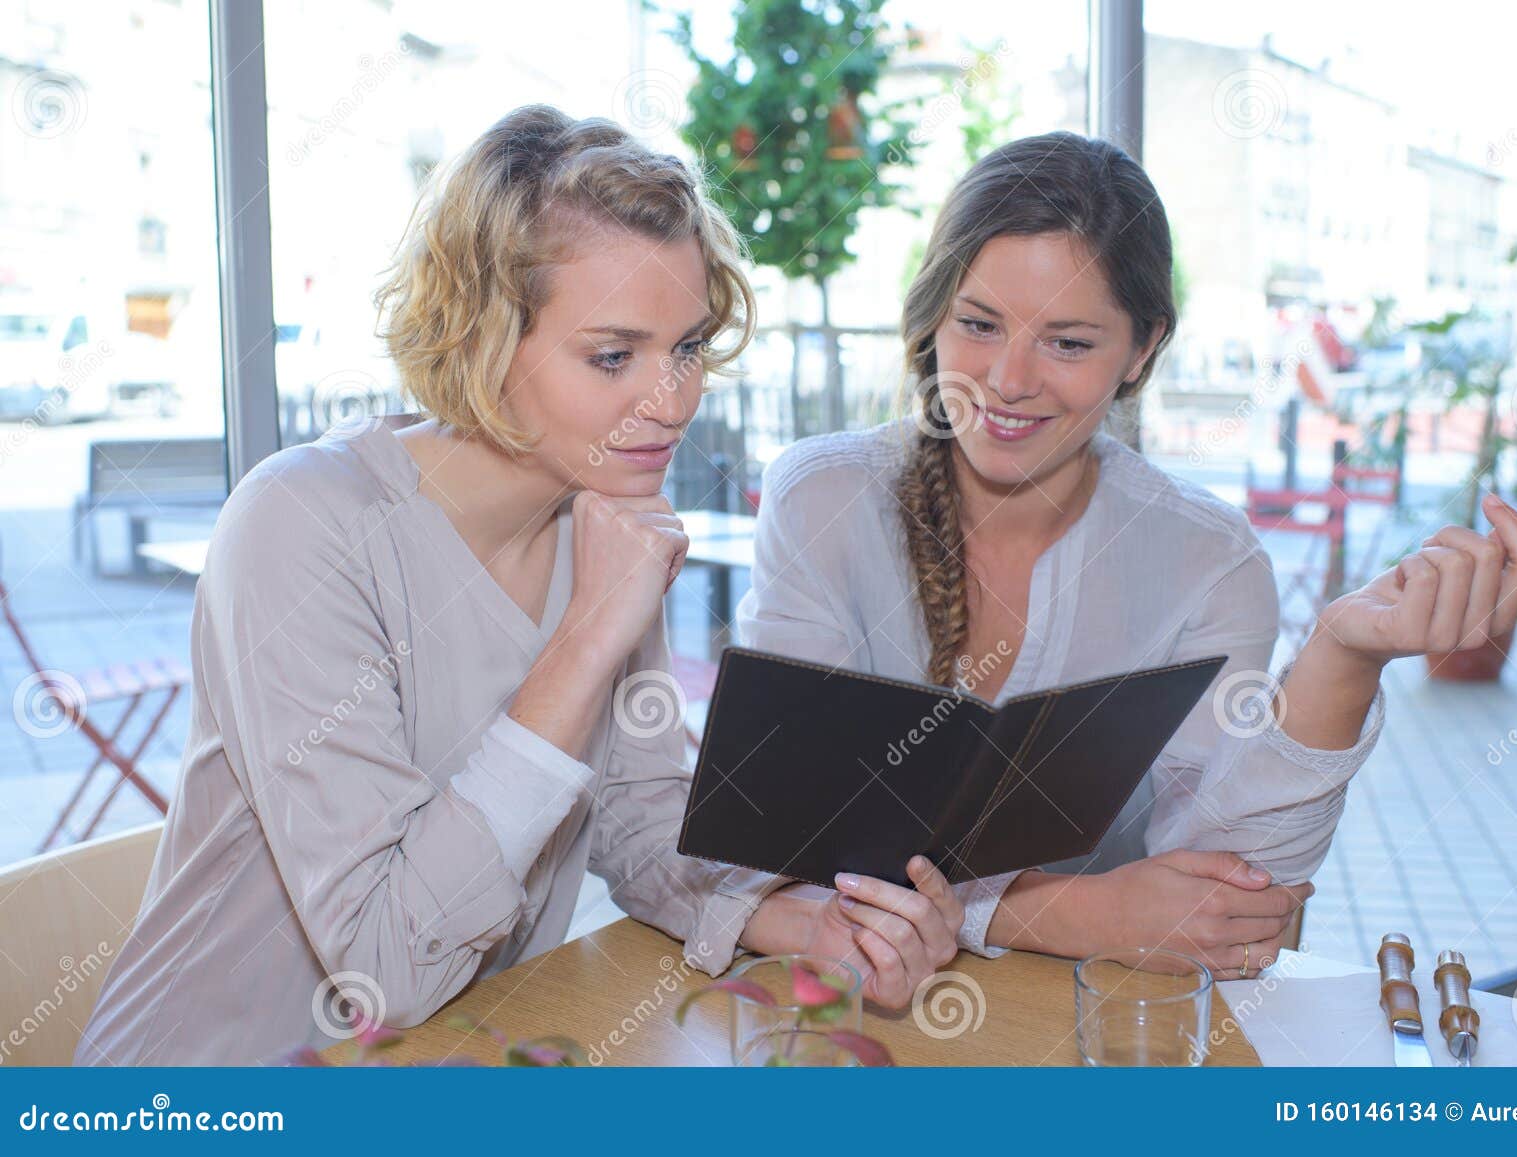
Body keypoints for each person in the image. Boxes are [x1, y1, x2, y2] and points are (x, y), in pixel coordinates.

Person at [75, 105, 963, 1066]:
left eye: (689, 347)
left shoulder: (603, 513)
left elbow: (635, 819)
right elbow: (386, 971)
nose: (674, 402)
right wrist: (585, 638)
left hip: (460, 1054)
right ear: (482, 339)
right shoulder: (304, 526)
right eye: (614, 356)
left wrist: (807, 921)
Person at [737, 131, 1517, 979]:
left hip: (1085, 1025)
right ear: (932, 316)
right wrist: (1077, 910)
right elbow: (784, 844)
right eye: (978, 324)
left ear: (1143, 349)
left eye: (1069, 342)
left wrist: (1342, 657)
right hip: (840, 1008)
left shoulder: (1207, 557)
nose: (1008, 379)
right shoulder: (823, 497)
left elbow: (1228, 902)